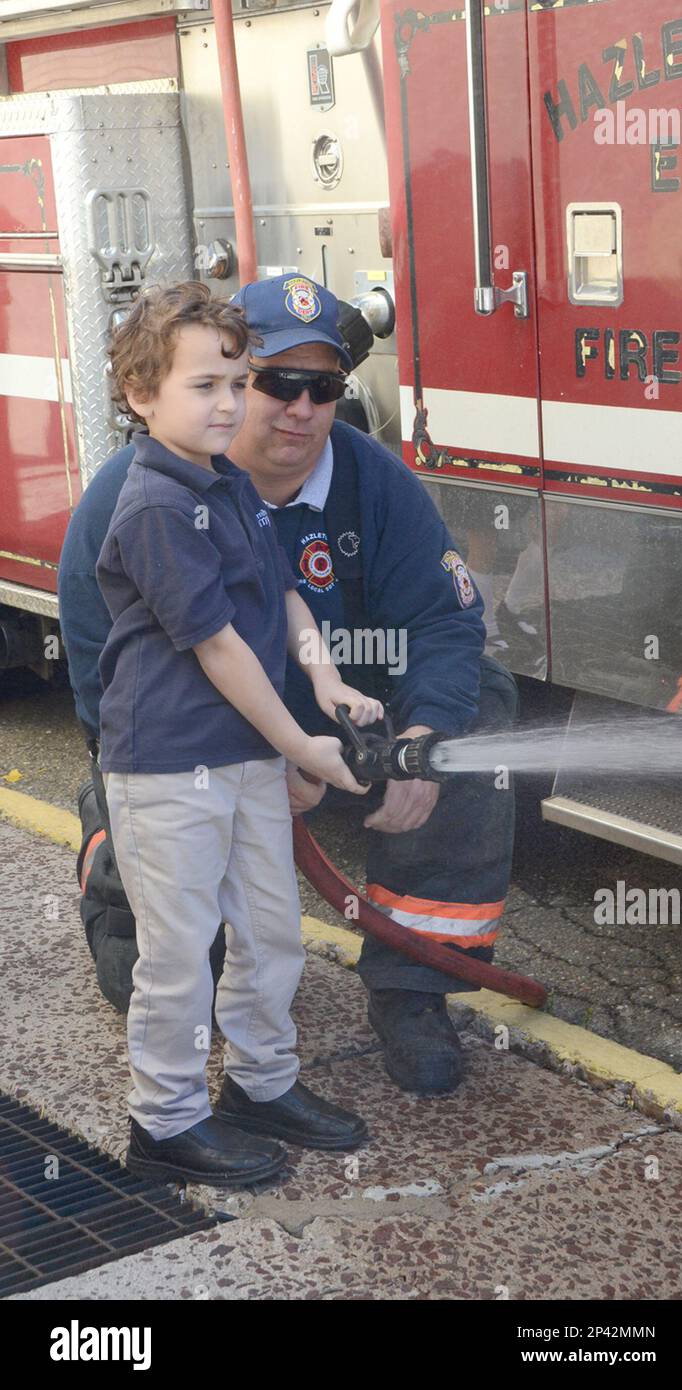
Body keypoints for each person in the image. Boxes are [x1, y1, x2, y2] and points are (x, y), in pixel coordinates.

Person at [59, 272, 518, 1100]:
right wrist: (261, 759)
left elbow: (445, 624)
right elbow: (103, 684)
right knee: (153, 980)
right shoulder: (131, 501)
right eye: (273, 382)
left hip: (331, 729)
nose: (301, 409)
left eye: (326, 387)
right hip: (183, 748)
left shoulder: (372, 482)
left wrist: (423, 740)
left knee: (479, 708)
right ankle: (113, 868)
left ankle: (415, 987)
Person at [94, 282, 383, 1188]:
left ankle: (262, 1083)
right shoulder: (154, 507)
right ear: (142, 397)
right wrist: (304, 749)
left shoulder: (230, 485)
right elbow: (218, 644)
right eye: (202, 386)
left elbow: (283, 592)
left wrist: (326, 676)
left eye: (235, 382)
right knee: (178, 952)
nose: (227, 404)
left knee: (269, 931)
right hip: (169, 766)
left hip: (245, 754)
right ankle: (167, 1120)